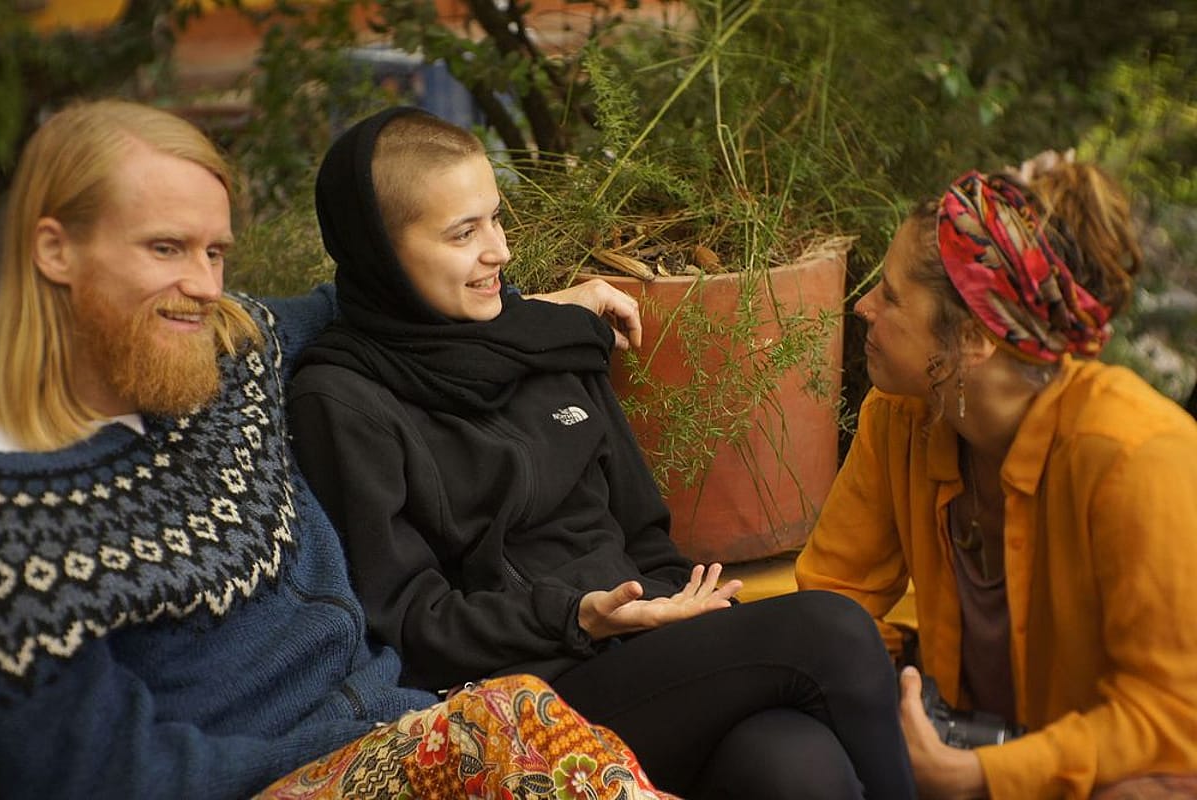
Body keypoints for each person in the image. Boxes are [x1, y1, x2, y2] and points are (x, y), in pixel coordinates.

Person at [0, 98, 680, 800]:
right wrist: (373, 751)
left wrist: (534, 310)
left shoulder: (232, 347)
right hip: (282, 777)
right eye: (165, 248)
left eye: (215, 253)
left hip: (407, 719)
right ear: (55, 250)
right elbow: (113, 775)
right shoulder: (20, 523)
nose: (204, 288)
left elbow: (382, 291)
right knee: (514, 725)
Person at [287, 105, 916, 800]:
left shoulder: (546, 341)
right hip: (525, 696)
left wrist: (676, 608)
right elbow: (409, 623)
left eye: (495, 219)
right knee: (833, 632)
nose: (498, 252)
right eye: (463, 234)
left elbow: (645, 537)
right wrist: (577, 615)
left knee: (792, 764)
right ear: (379, 252)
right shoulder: (344, 399)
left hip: (643, 650)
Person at [796, 162, 1197, 798]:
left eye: (892, 296)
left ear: (972, 338)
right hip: (973, 746)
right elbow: (834, 600)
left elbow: (1173, 718)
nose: (863, 306)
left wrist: (980, 774)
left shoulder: (1137, 456)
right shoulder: (901, 414)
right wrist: (900, 698)